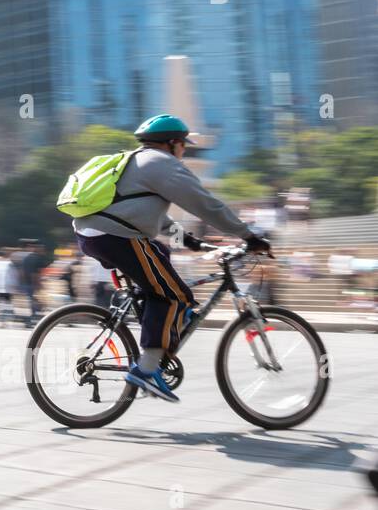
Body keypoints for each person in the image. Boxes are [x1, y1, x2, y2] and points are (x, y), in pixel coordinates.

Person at [72, 114, 270, 403]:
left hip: (93, 234)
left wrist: (193, 243)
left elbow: (151, 217)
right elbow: (206, 204)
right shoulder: (163, 163)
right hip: (117, 236)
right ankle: (147, 369)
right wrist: (249, 236)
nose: (185, 151)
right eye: (184, 145)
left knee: (160, 257)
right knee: (173, 294)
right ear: (174, 143)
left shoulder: (134, 161)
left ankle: (168, 321)